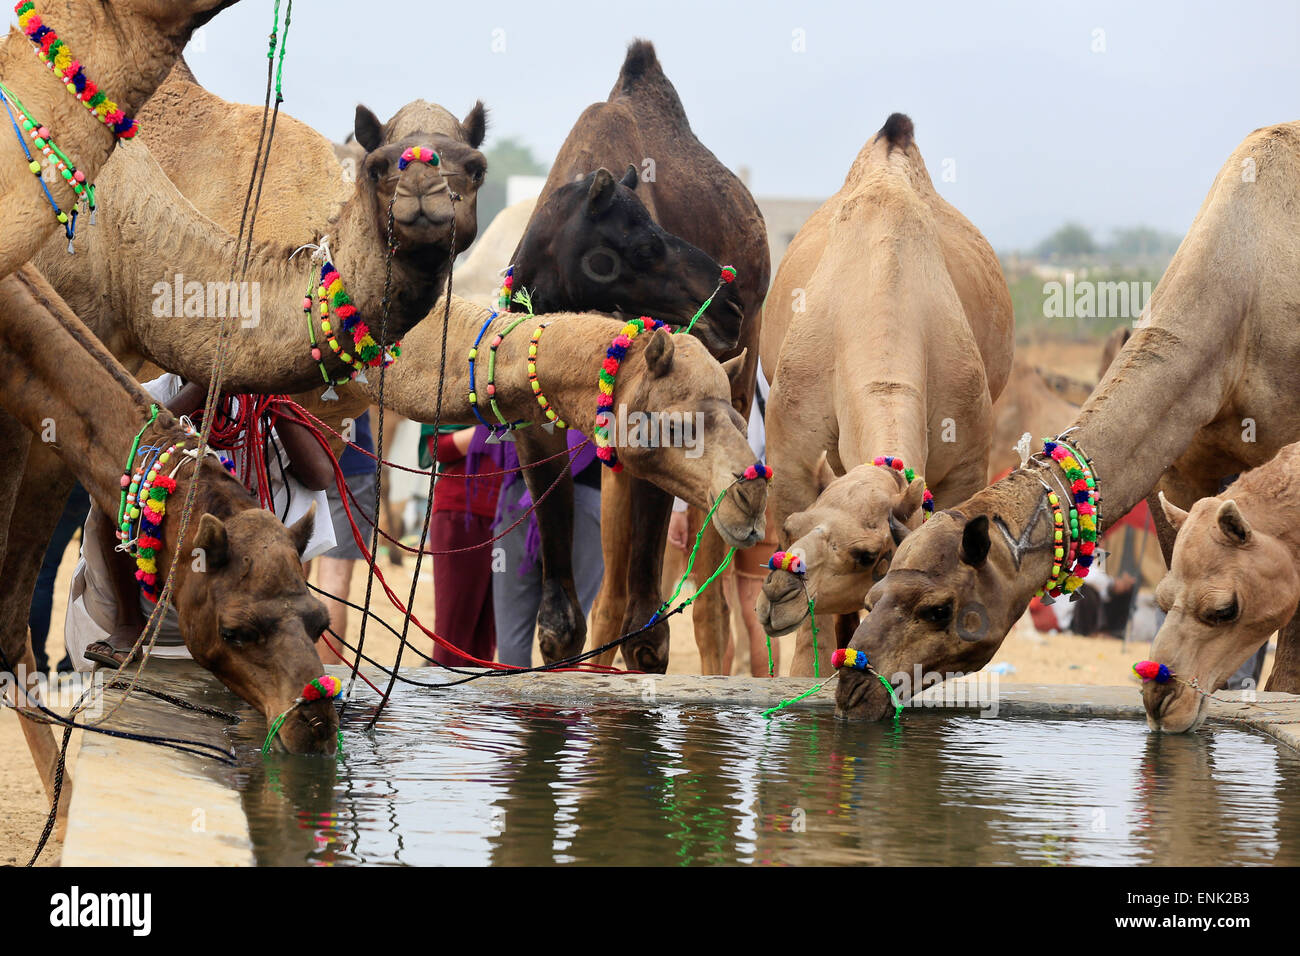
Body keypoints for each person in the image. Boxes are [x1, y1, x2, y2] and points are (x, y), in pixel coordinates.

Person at [66, 375, 336, 670]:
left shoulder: (259, 404)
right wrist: (207, 383)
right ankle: (128, 624)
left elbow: (320, 476)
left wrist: (272, 392)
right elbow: (135, 447)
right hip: (152, 591)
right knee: (120, 489)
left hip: (239, 580)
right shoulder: (151, 395)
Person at [668, 359, 777, 676]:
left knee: (717, 599)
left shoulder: (702, 365)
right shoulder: (761, 366)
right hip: (760, 486)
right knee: (757, 605)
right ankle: (767, 707)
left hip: (714, 494)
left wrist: (677, 509)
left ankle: (717, 705)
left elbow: (688, 441)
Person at [492, 431, 602, 668]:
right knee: (569, 629)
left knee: (511, 634)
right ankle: (557, 706)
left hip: (519, 493)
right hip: (587, 493)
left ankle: (514, 704)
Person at [425, 424, 502, 667]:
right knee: (453, 633)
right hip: (460, 514)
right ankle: (444, 704)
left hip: (510, 519)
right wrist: (493, 431)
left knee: (488, 635)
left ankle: (474, 706)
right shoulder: (453, 389)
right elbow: (438, 447)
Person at [306, 409, 376, 665]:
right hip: (353, 466)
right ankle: (327, 680)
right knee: (334, 584)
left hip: (299, 460)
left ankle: (289, 672)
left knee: (292, 577)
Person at [28, 482, 91, 673]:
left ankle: (37, 662)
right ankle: (76, 664)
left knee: (43, 571)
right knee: (91, 573)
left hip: (66, 479)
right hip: (98, 477)